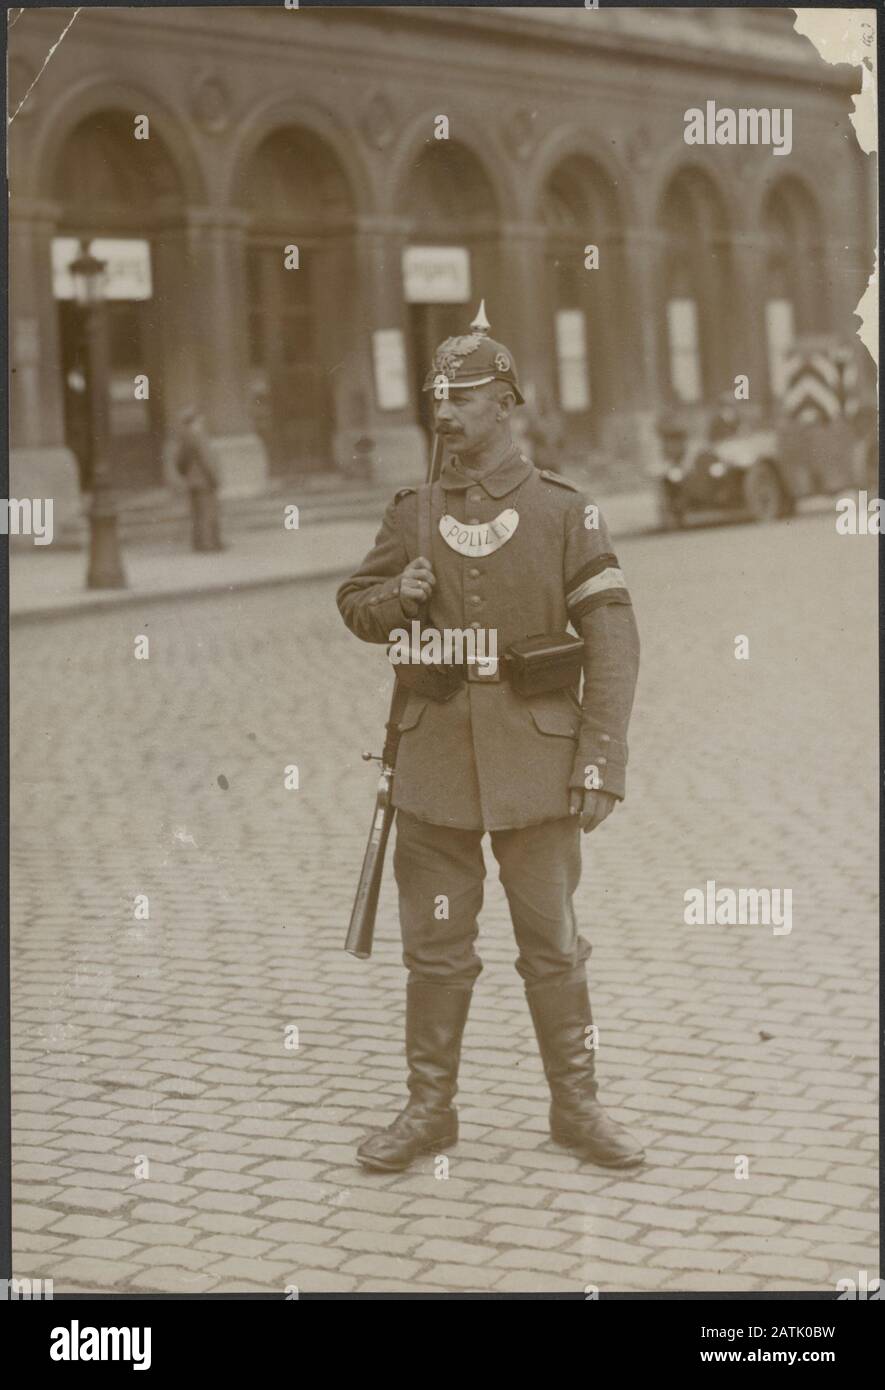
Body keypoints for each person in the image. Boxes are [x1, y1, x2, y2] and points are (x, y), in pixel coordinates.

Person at [336, 323, 644, 1173]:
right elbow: (356, 604)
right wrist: (398, 596)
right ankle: (429, 1111)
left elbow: (613, 640)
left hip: (537, 770)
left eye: (463, 399)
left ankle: (576, 1110)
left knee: (552, 946)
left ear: (504, 404)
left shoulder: (561, 510)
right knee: (434, 950)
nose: (446, 415)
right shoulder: (413, 512)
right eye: (438, 398)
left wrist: (598, 759)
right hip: (431, 767)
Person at [175, 409, 224, 552]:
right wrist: (214, 478)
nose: (202, 422)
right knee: (208, 512)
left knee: (197, 514)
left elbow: (179, 461)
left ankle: (198, 544)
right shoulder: (199, 436)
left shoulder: (184, 437)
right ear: (195, 421)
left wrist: (186, 474)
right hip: (205, 481)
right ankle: (209, 544)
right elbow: (206, 460)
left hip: (192, 482)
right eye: (200, 419)